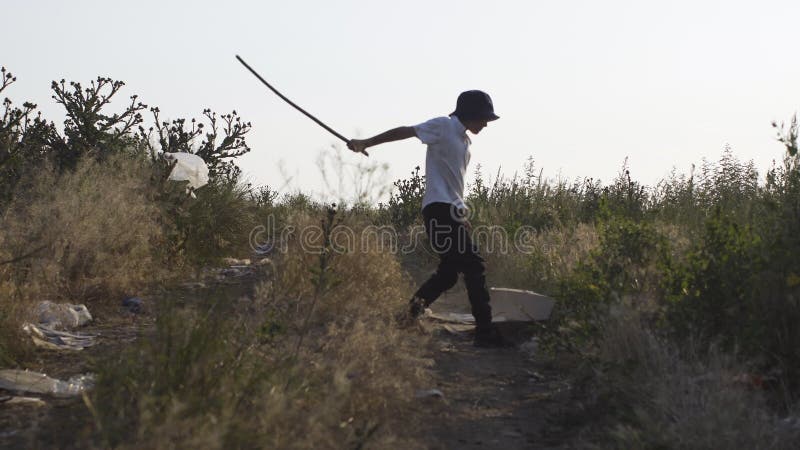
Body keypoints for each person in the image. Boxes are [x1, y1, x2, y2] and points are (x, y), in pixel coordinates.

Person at [347, 90, 512, 347]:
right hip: (438, 210)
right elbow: (406, 131)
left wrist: (461, 212)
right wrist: (366, 142)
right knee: (474, 264)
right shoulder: (444, 126)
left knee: (449, 273)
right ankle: (485, 332)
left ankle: (408, 316)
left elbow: (453, 183)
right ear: (469, 114)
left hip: (450, 211)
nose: (486, 123)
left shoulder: (465, 143)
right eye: (483, 118)